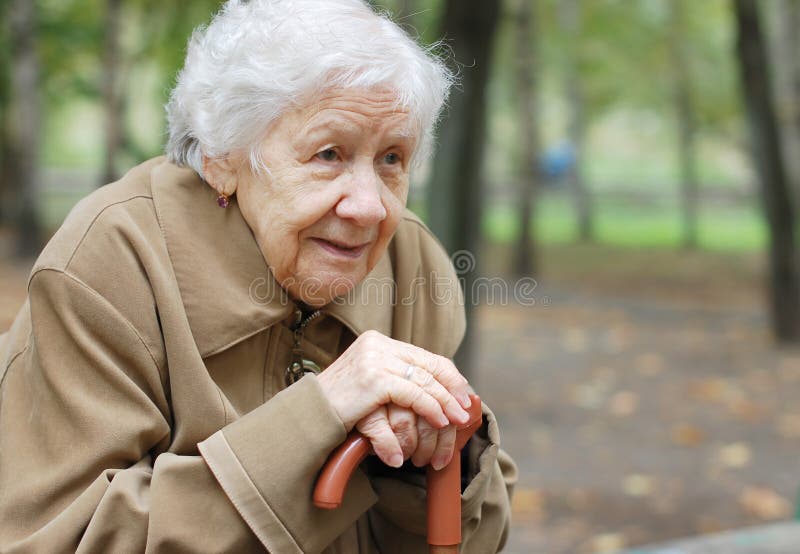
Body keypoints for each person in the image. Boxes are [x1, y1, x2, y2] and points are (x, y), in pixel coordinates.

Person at [0, 0, 517, 552]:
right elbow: (60, 540)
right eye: (328, 153)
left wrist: (435, 459)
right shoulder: (112, 262)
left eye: (392, 158)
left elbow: (475, 539)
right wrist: (317, 416)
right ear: (224, 154)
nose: (369, 208)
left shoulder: (411, 261)